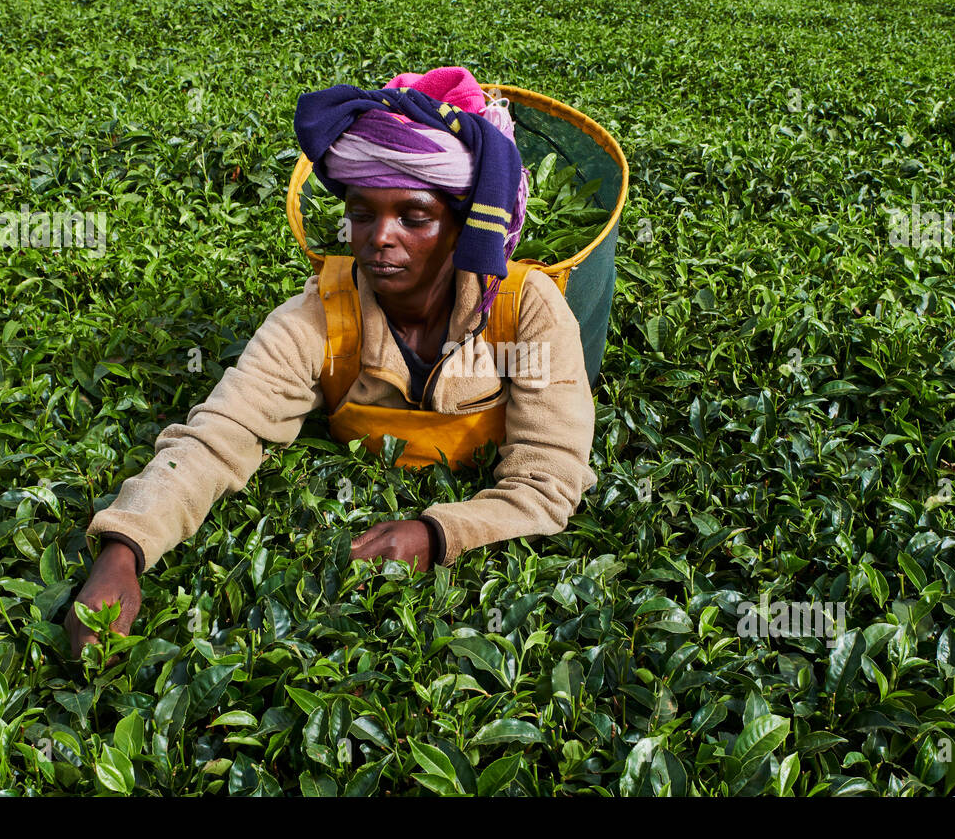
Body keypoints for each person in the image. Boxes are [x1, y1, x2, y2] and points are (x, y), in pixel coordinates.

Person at [63, 66, 599, 658]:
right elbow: (221, 436)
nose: (379, 238)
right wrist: (124, 550)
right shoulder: (318, 316)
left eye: (414, 217)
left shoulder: (528, 311)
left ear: (461, 225)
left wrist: (439, 532)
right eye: (363, 214)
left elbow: (550, 482)